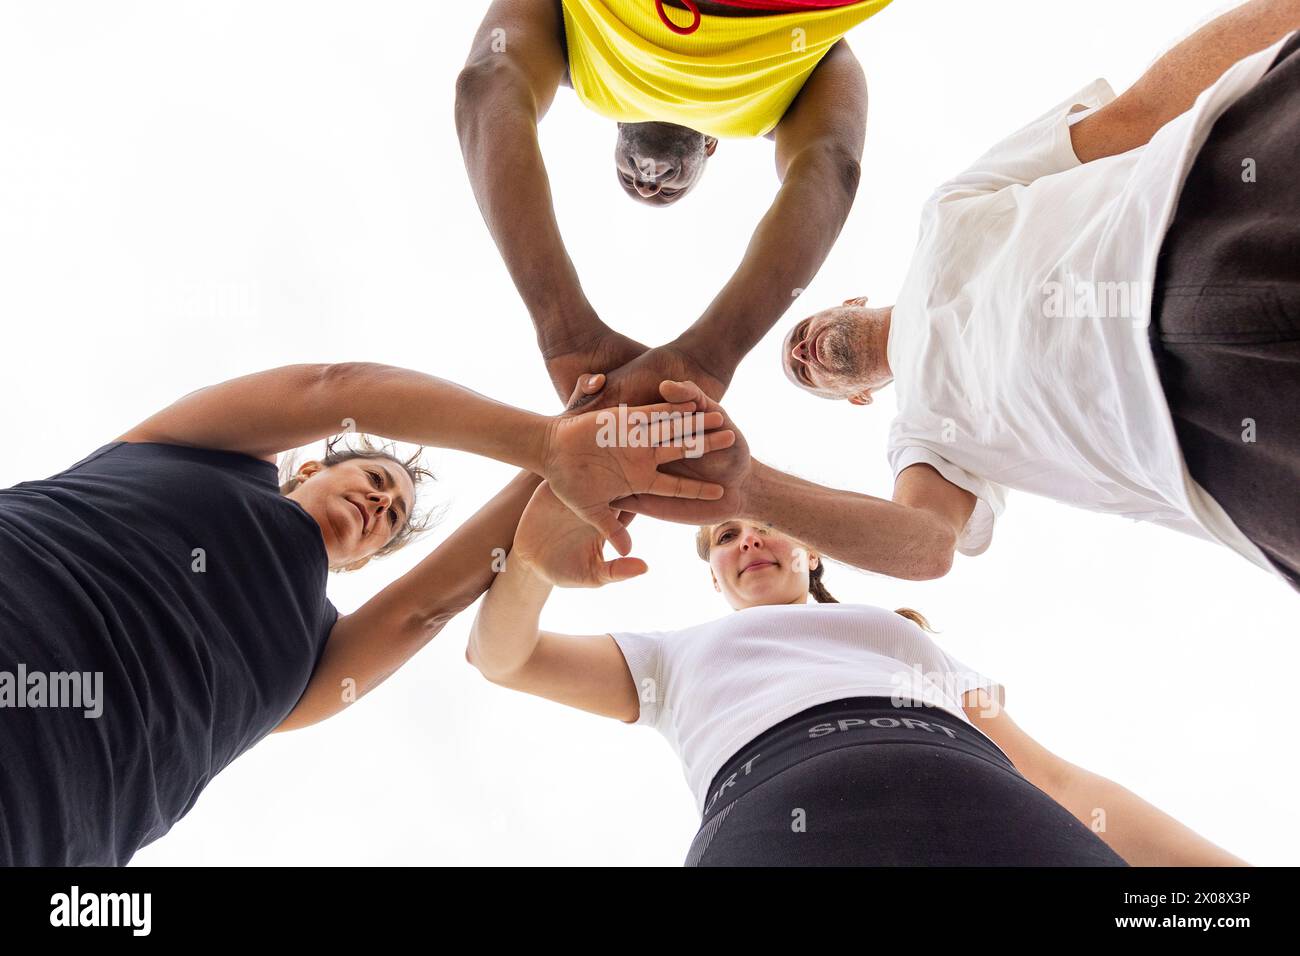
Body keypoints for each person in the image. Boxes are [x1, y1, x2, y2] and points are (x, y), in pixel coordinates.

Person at [0, 362, 732, 865]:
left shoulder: (316, 663)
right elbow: (334, 387)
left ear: (360, 562)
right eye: (377, 481)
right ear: (311, 467)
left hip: (49, 818)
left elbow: (424, 607)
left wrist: (581, 458)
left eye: (392, 518)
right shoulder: (198, 452)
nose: (382, 504)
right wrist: (548, 438)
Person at [773, 1, 1299, 589]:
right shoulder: (921, 433)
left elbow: (1136, 116)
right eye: (805, 376)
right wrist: (746, 490)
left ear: (848, 302)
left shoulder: (947, 211)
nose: (801, 355)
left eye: (796, 335)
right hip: (1212, 443)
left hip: (1206, 208)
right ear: (861, 398)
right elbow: (925, 545)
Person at [466, 477, 1246, 865]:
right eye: (727, 537)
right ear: (714, 580)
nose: (747, 542)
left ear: (810, 551)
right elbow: (503, 657)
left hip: (975, 791)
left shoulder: (902, 637)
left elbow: (1059, 781)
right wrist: (533, 563)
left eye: (764, 526)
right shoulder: (673, 653)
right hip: (775, 813)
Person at [455, 0, 890, 410]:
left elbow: (490, 78)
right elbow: (832, 165)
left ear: (617, 121)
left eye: (629, 178)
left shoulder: (576, 59)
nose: (646, 184)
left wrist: (562, 328)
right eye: (664, 190)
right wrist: (709, 355)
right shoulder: (786, 101)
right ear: (711, 147)